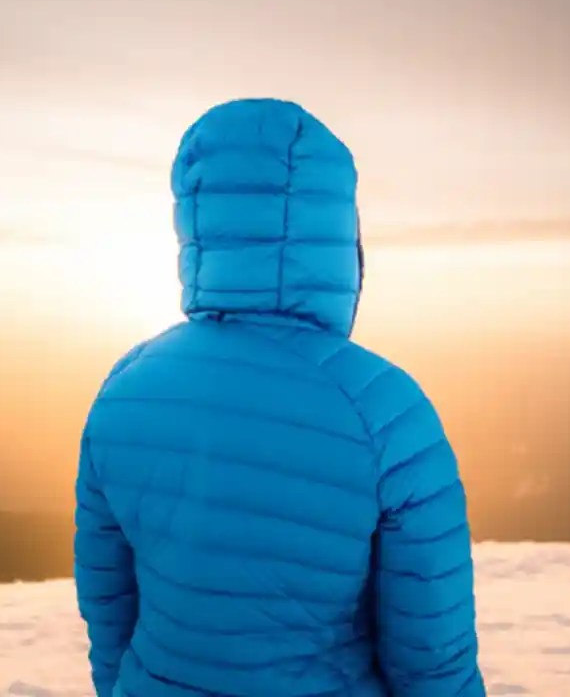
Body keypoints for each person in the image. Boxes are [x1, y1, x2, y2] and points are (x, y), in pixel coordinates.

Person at [74, 98, 484, 697]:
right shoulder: (384, 409)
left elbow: (109, 606)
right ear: (340, 234)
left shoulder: (126, 387)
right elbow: (432, 658)